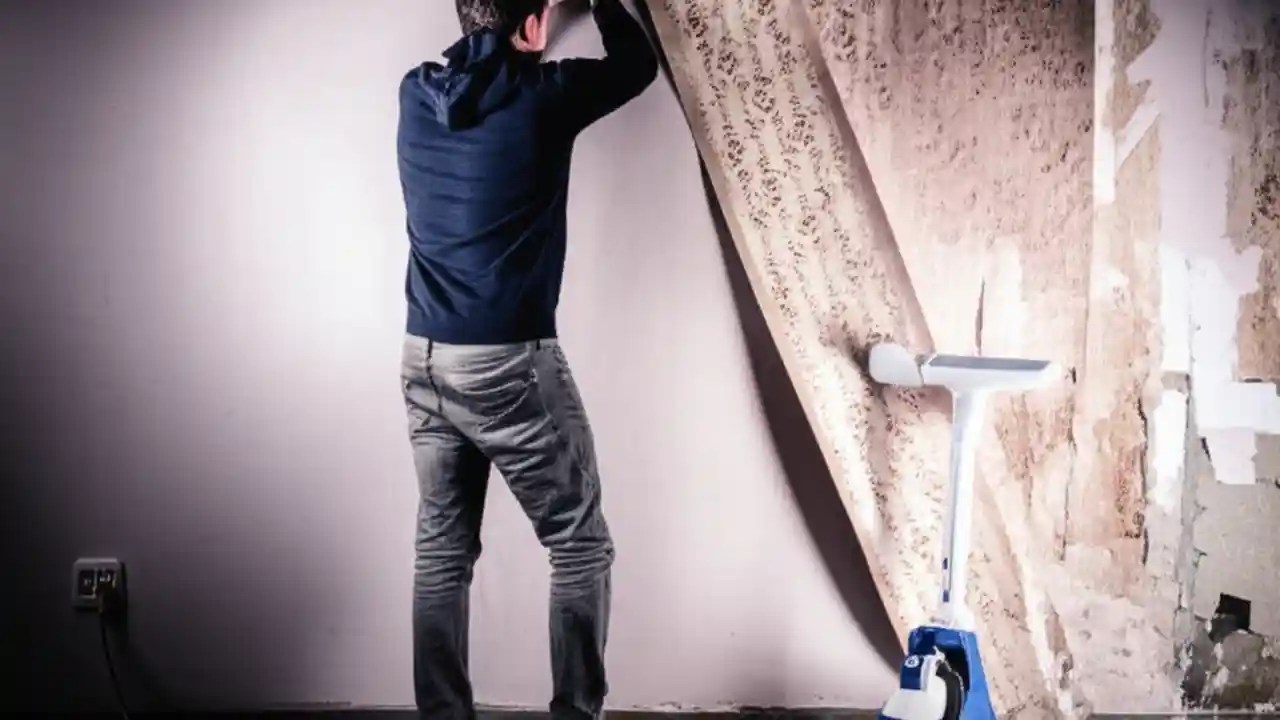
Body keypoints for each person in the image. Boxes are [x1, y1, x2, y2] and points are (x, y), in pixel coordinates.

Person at [395, 0, 657, 717]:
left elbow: (484, 61)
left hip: (423, 359)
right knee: (579, 544)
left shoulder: (415, 93)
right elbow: (637, 67)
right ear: (537, 23)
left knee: (443, 551)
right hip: (507, 362)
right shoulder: (546, 98)